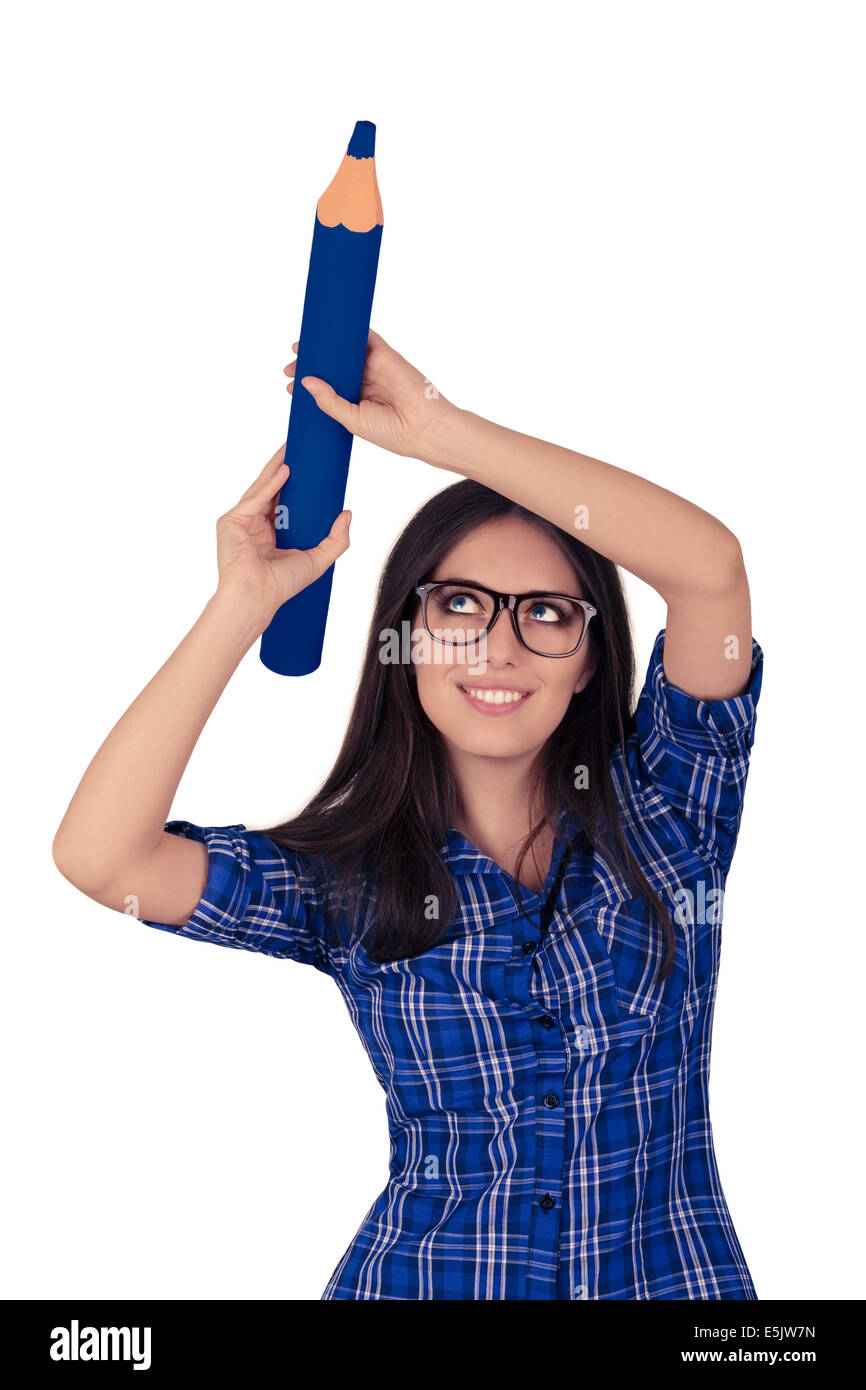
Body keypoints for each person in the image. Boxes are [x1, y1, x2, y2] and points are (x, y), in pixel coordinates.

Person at [52, 328, 763, 1301]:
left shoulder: (669, 810)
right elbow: (102, 858)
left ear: (589, 657)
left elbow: (708, 569)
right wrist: (242, 603)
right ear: (406, 637)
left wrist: (438, 429)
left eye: (545, 614)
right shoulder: (345, 879)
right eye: (459, 605)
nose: (497, 648)